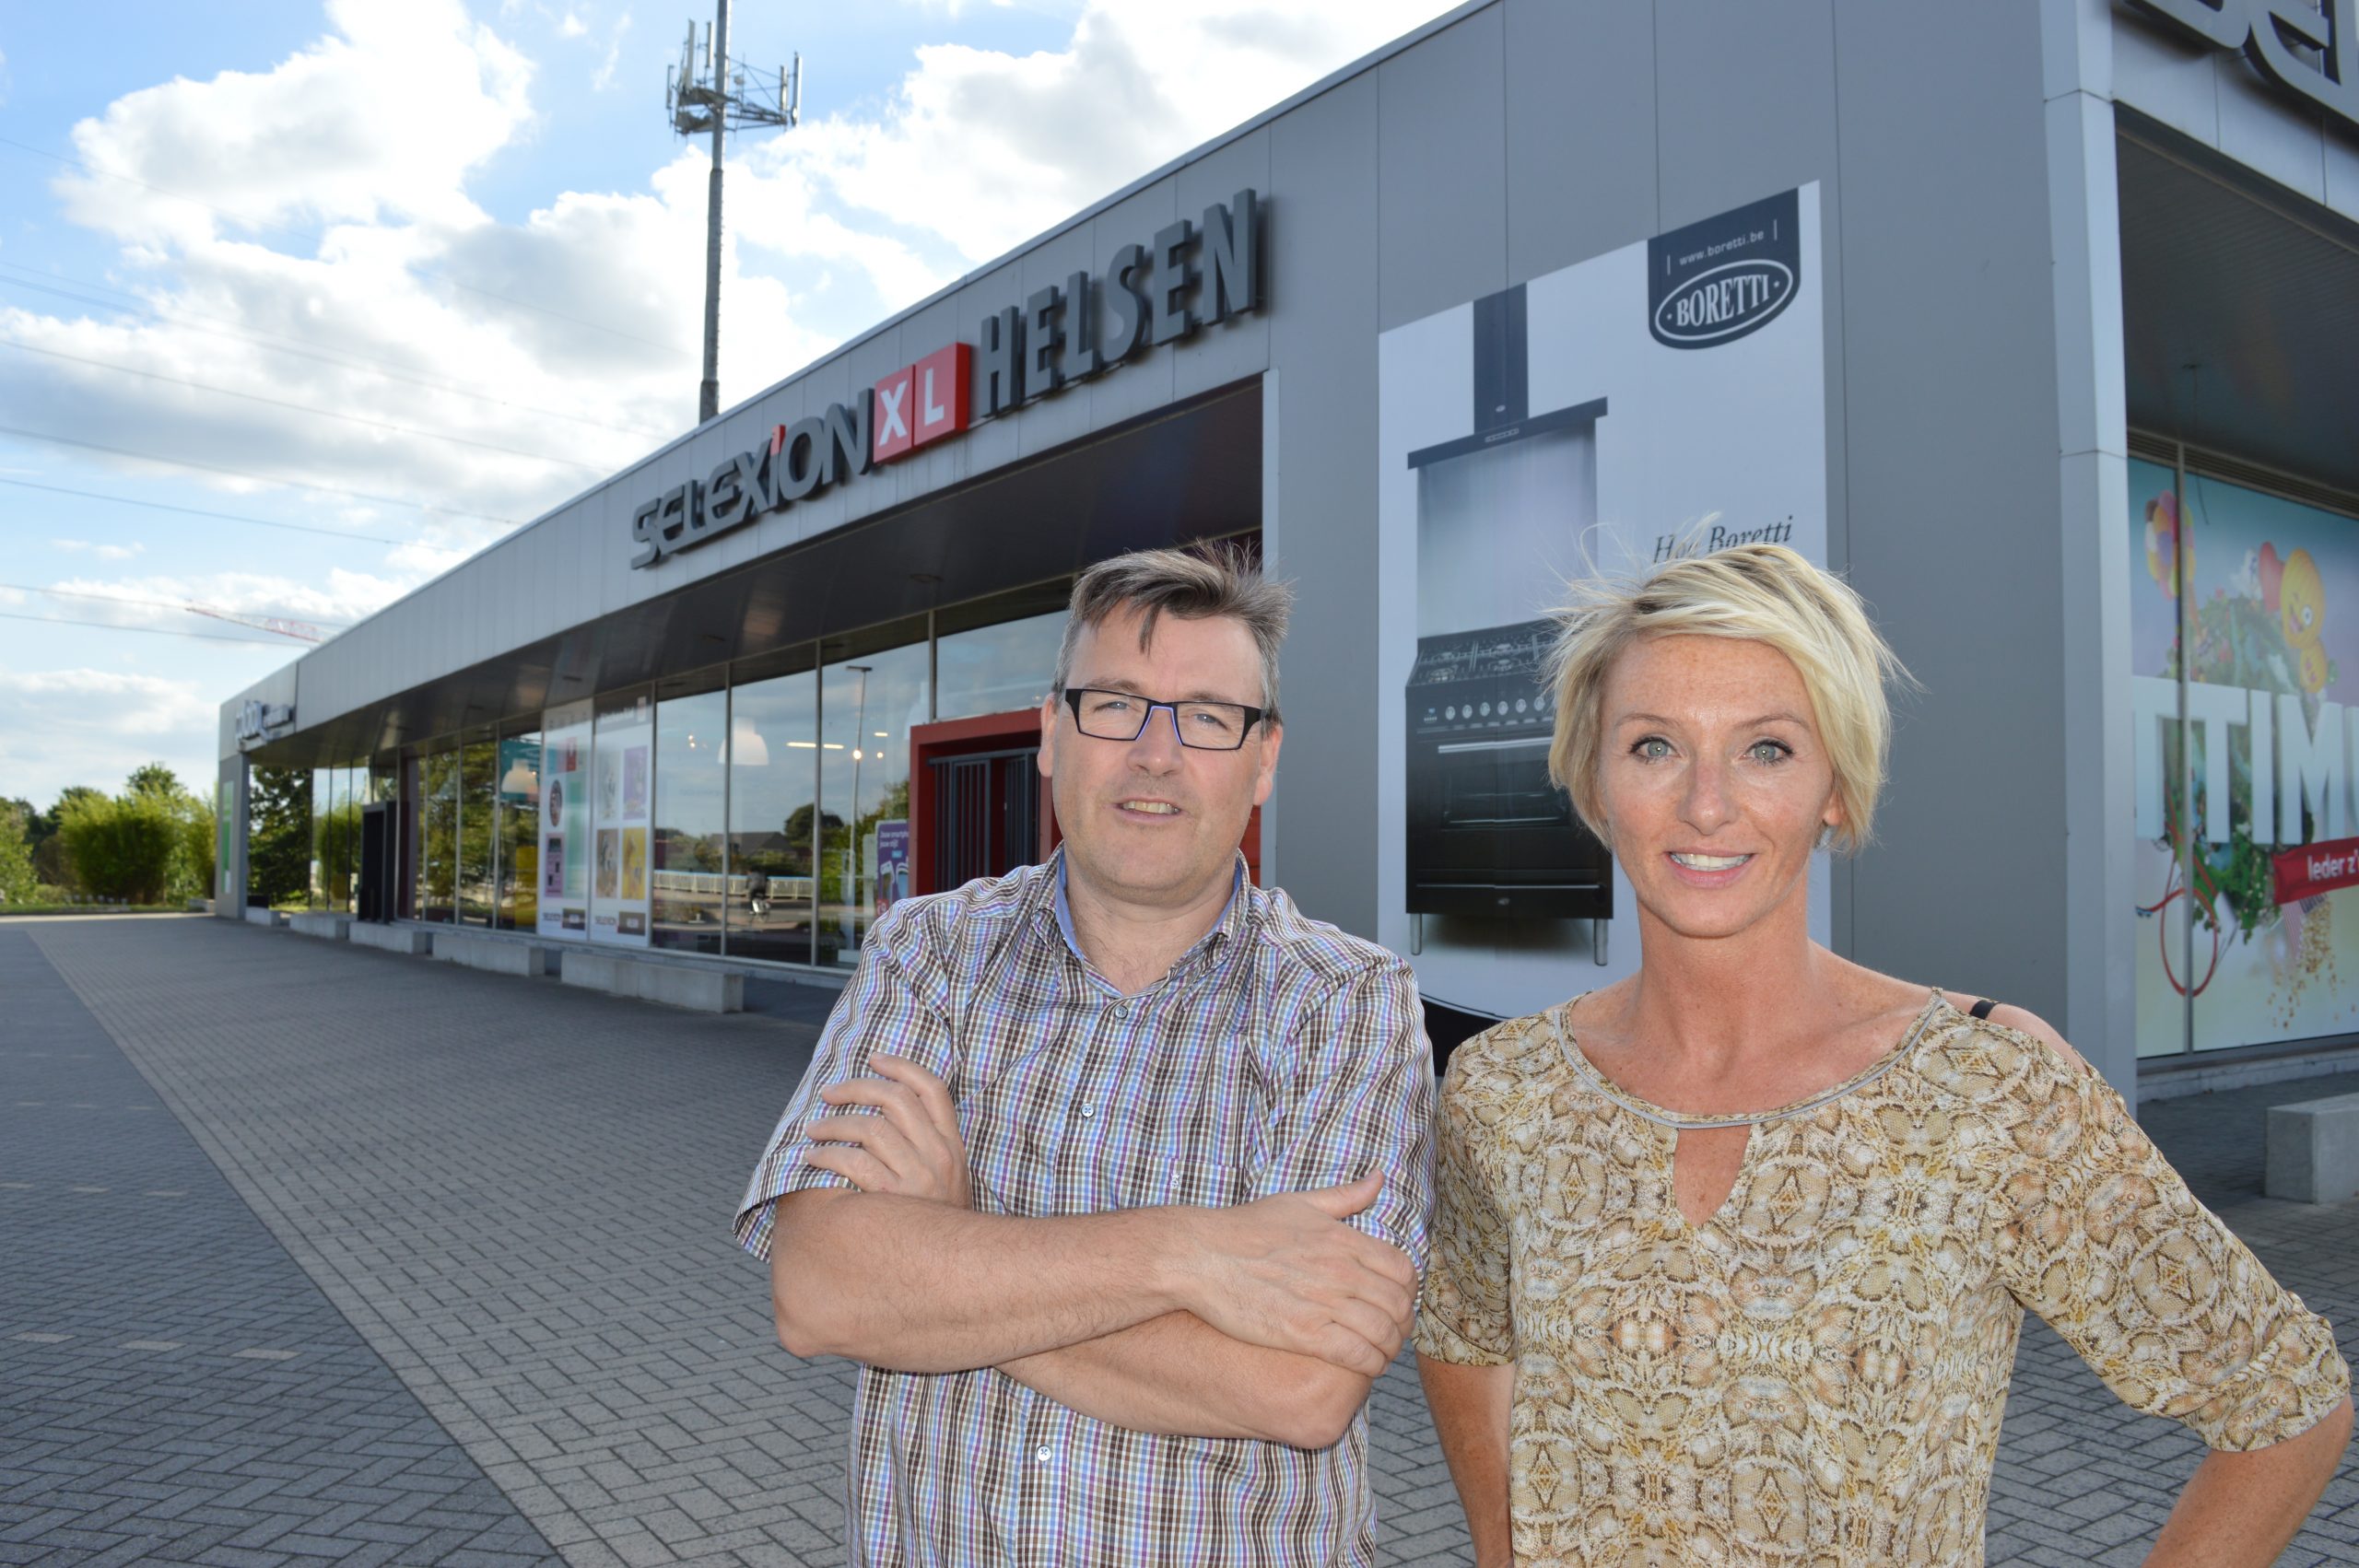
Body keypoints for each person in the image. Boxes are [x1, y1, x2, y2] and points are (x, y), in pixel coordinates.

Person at [1415, 544, 2352, 1567]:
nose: (1706, 804)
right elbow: (1464, 1334)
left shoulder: (1987, 1087)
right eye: (1654, 746)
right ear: (1595, 779)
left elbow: (2285, 1401)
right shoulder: (1506, 1089)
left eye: (1766, 748)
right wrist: (1502, 1546)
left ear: (1836, 786)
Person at [735, 545, 1435, 1567]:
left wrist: (956, 1246)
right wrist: (1188, 1256)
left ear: (1264, 759)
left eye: (1207, 717)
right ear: (1051, 733)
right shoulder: (928, 951)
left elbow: (1300, 1388)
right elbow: (821, 1291)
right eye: (1115, 705)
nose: (1156, 754)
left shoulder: (1349, 1001)